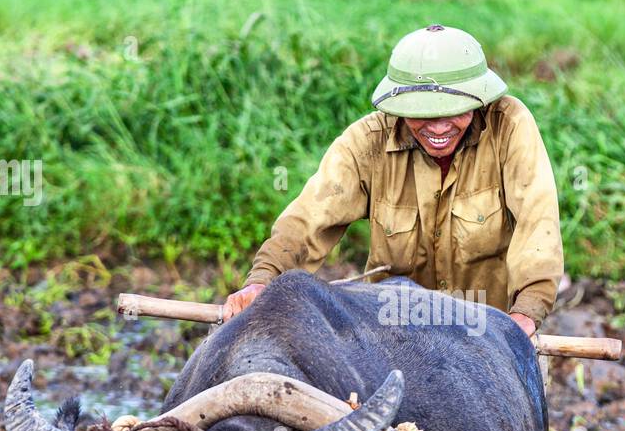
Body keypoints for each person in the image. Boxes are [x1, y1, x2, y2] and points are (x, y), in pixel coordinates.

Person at [223, 24, 564, 337]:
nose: (439, 127)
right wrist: (263, 282)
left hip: (487, 331)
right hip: (394, 333)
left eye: (453, 112)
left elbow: (538, 221)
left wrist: (525, 315)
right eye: (423, 115)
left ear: (479, 101)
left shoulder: (509, 127)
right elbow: (307, 221)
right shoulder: (367, 143)